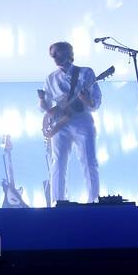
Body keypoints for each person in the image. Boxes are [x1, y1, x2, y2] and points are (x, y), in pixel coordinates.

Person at [39, 41, 102, 203]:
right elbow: (47, 107)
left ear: (68, 52)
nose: (54, 58)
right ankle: (58, 201)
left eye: (57, 53)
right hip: (61, 123)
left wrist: (85, 99)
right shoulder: (51, 78)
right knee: (58, 162)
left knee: (89, 159)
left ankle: (93, 200)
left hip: (82, 120)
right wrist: (43, 103)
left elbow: (95, 102)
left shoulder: (86, 72)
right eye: (52, 55)